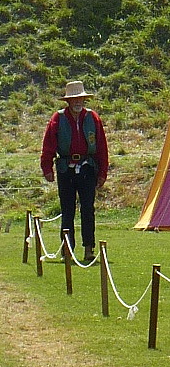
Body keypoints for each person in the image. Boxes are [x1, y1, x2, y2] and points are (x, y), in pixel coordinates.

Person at [40, 81, 109, 263]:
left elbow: (102, 146)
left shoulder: (93, 118)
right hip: (65, 169)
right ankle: (67, 250)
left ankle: (88, 249)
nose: (77, 102)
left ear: (84, 100)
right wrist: (47, 167)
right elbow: (48, 145)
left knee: (88, 209)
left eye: (80, 98)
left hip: (87, 168)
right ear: (68, 101)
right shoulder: (58, 118)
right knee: (67, 210)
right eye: (74, 99)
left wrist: (103, 172)